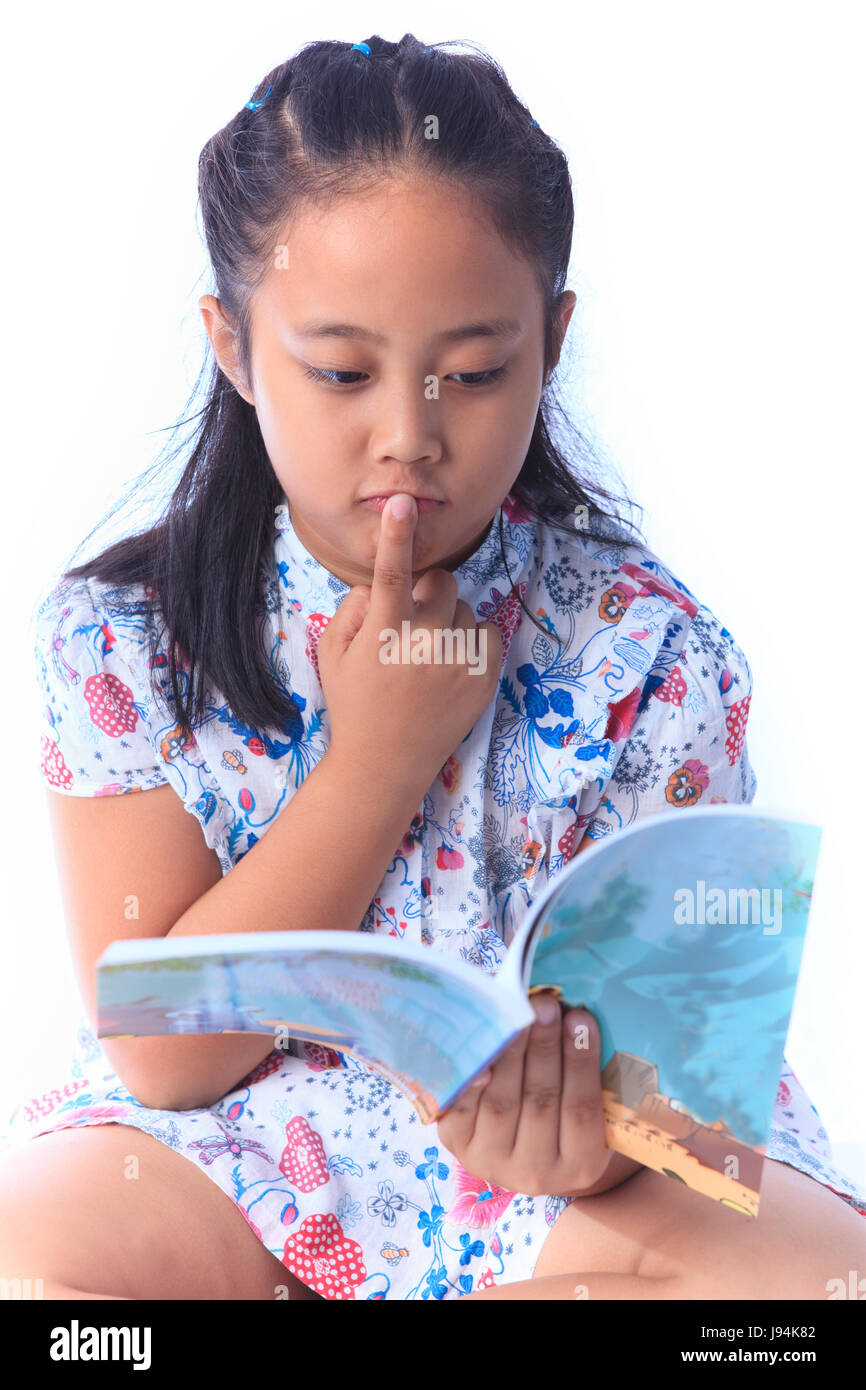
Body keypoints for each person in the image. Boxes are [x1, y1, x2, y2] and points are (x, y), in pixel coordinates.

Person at [2, 33, 864, 1303]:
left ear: (550, 340)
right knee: (40, 1276)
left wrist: (588, 1143)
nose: (407, 437)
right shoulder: (123, 636)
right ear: (233, 347)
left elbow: (685, 1099)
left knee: (814, 1296)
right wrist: (380, 759)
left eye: (472, 373)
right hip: (239, 1145)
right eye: (340, 372)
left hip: (562, 1190)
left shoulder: (653, 650)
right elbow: (171, 1061)